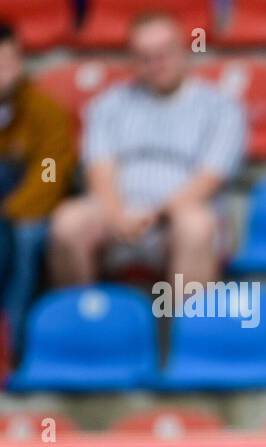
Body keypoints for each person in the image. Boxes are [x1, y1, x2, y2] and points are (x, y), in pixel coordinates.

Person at [46, 11, 245, 289]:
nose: (157, 64)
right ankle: (85, 322)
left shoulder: (221, 107)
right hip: (116, 214)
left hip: (179, 216)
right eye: (145, 56)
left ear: (184, 50)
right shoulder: (108, 104)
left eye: (164, 53)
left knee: (196, 225)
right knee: (68, 221)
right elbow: (100, 171)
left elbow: (209, 179)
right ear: (132, 60)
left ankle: (182, 329)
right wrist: (118, 217)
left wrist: (155, 215)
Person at [0, 21, 74, 368]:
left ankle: (13, 348)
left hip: (24, 212)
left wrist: (10, 210)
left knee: (27, 239)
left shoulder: (45, 112)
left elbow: (49, 172)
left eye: (6, 61)